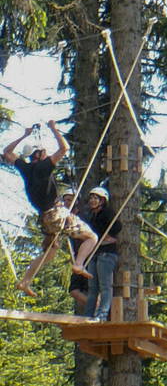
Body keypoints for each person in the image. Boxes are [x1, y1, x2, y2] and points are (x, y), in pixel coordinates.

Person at [2, 122, 96, 297]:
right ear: (38, 154)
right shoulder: (43, 167)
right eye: (43, 151)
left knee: (51, 253)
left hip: (45, 217)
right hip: (56, 214)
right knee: (91, 237)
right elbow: (64, 148)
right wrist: (53, 128)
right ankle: (79, 264)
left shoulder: (26, 168)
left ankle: (25, 281)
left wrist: (24, 135)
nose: (46, 153)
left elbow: (7, 152)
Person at [84, 186, 120, 321]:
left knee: (105, 286)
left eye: (96, 198)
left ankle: (102, 315)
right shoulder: (92, 216)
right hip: (95, 252)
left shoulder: (107, 213)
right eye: (91, 198)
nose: (92, 200)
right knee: (92, 288)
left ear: (102, 200)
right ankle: (88, 315)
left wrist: (107, 237)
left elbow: (117, 226)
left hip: (106, 253)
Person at [62, 188, 91, 309]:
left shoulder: (82, 216)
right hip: (76, 256)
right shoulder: (65, 217)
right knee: (74, 290)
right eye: (66, 201)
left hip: (88, 255)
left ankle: (97, 306)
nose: (67, 203)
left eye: (70, 200)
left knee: (89, 287)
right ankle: (94, 305)